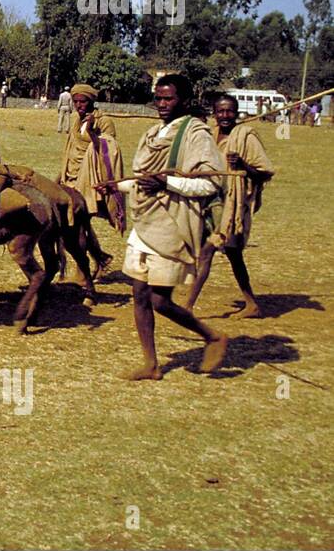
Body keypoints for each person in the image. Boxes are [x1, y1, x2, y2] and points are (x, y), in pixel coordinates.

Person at [101, 74, 228, 381]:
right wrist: (117, 187)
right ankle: (152, 364)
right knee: (139, 294)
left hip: (174, 223)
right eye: (158, 98)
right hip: (146, 224)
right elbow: (145, 183)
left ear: (183, 100)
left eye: (168, 98)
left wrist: (166, 180)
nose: (161, 104)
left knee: (159, 300)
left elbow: (209, 184)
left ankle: (212, 336)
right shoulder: (153, 133)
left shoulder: (196, 134)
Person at [184, 94, 274, 317]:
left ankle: (187, 307)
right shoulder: (209, 136)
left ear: (237, 112)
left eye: (230, 111)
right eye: (221, 111)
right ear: (214, 113)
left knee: (207, 253)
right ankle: (251, 303)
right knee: (233, 256)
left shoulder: (246, 137)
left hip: (232, 206)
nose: (225, 116)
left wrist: (243, 165)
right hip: (211, 203)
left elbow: (264, 173)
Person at [58, 83, 123, 272]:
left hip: (90, 178)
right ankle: (100, 257)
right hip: (71, 175)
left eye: (83, 101)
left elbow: (108, 151)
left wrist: (94, 134)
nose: (79, 105)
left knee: (80, 222)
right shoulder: (76, 120)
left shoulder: (103, 121)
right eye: (76, 101)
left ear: (91, 101)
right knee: (78, 223)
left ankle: (83, 269)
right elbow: (72, 147)